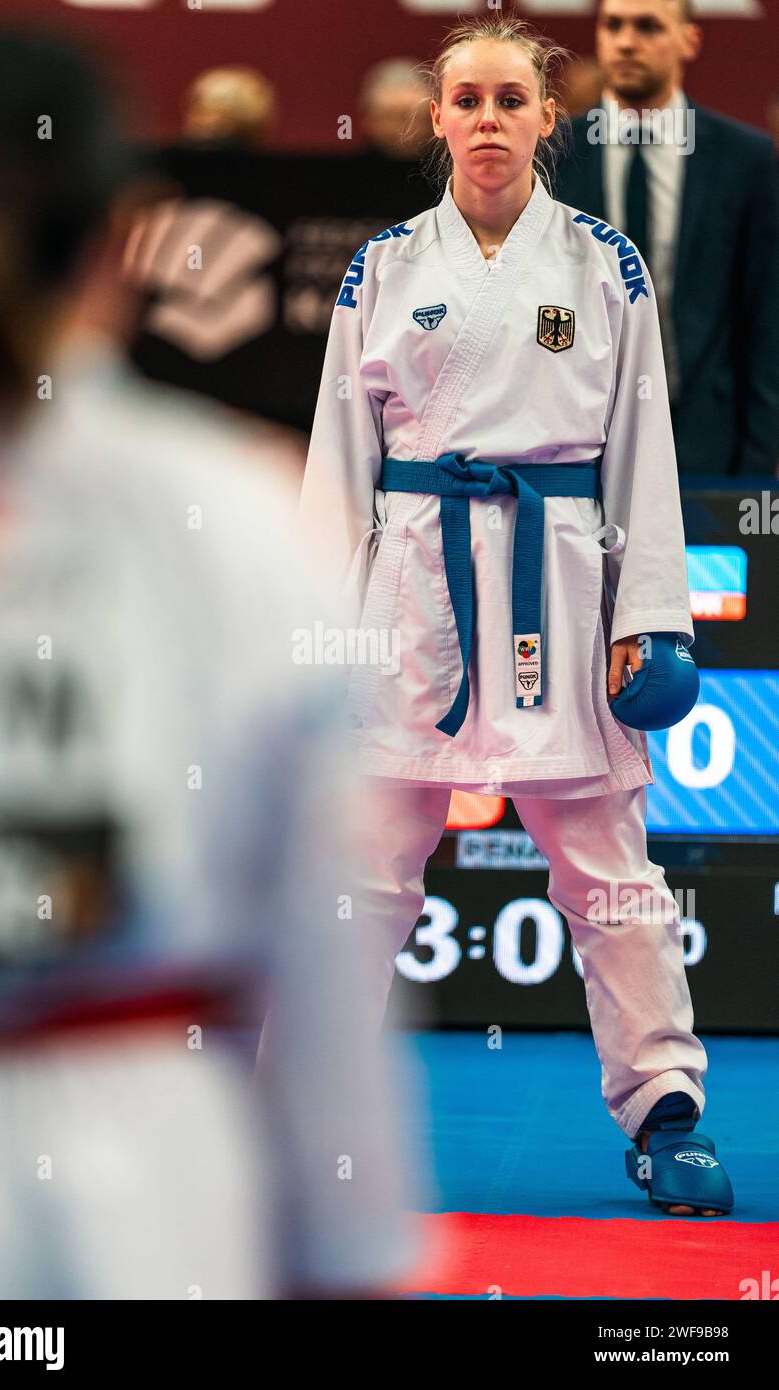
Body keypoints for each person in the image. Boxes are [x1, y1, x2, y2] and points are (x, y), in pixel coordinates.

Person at [0, 26, 414, 1299]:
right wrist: (354, 1250)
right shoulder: (238, 515)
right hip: (145, 1188)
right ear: (129, 231)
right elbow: (316, 939)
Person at [300, 13, 734, 1218]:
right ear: (436, 120)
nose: (488, 118)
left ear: (548, 118)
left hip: (560, 573)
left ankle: (665, 1109)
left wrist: (653, 615)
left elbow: (642, 451)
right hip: (409, 592)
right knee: (363, 871)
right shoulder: (381, 265)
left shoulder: (603, 263)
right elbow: (339, 456)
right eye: (467, 99)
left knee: (609, 870)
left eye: (510, 98)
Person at [553, 0, 779, 478]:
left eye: (648, 26)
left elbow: (766, 320)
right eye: (613, 25)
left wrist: (757, 468)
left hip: (707, 445)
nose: (627, 41)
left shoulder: (746, 159)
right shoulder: (553, 156)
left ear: (690, 39)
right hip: (573, 443)